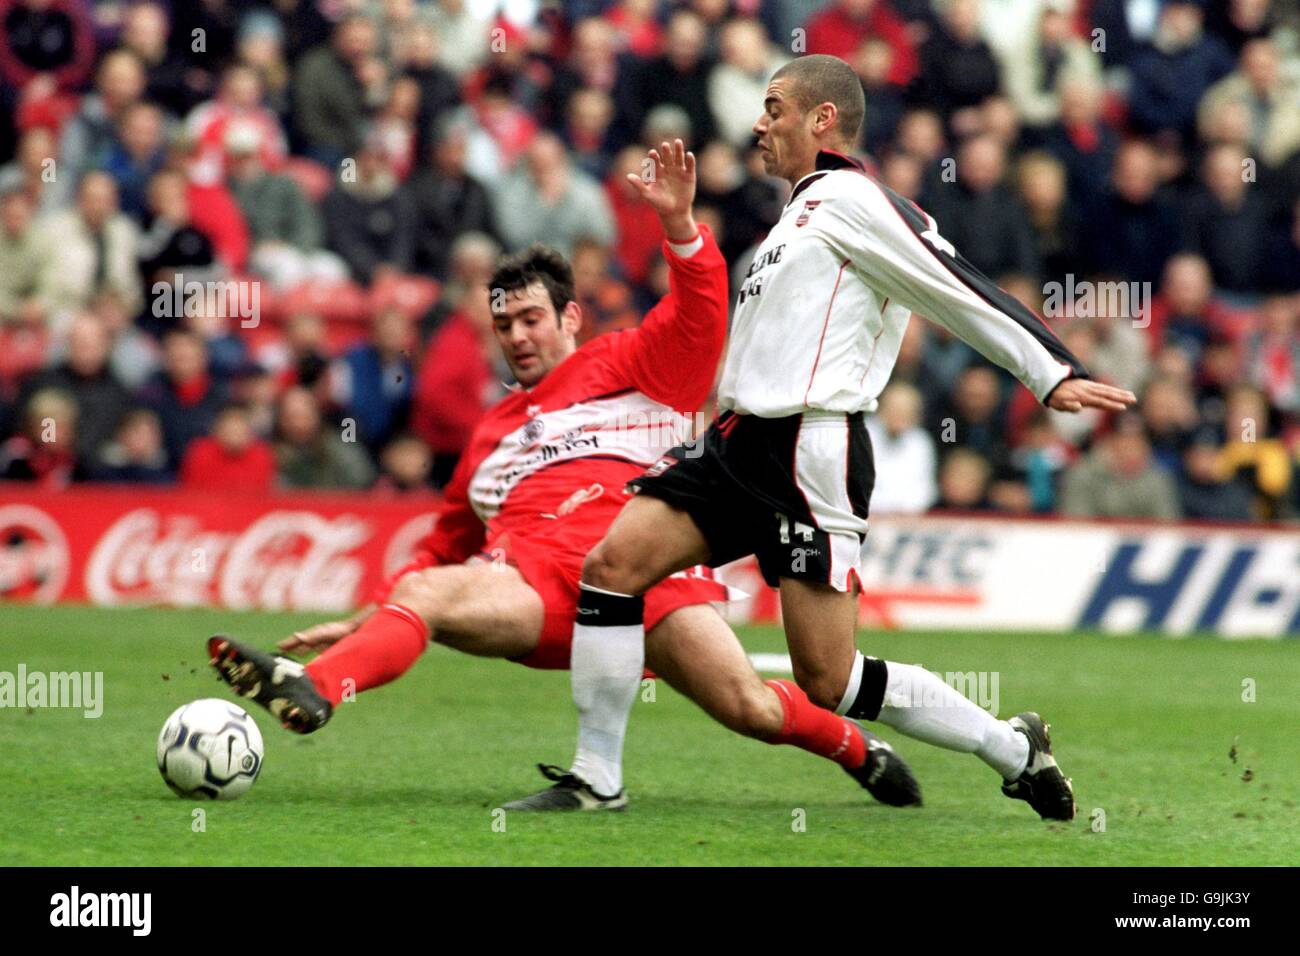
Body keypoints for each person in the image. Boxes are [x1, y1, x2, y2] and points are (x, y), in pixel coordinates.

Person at [206, 141, 920, 811]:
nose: (517, 336)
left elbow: (700, 320)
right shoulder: (488, 436)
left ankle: (857, 747)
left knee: (750, 707)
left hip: (645, 568)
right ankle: (314, 686)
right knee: (426, 592)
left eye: (530, 319)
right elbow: (440, 550)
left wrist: (679, 229)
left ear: (571, 316)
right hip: (535, 583)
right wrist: (369, 617)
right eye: (504, 325)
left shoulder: (628, 363)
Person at [522, 55, 1135, 819]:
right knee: (612, 567)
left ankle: (1012, 748)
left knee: (828, 679)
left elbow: (953, 281)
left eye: (775, 107)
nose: (758, 124)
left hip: (811, 451)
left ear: (822, 119)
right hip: (735, 443)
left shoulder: (855, 199)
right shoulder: (793, 219)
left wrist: (1049, 369)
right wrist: (680, 228)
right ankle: (596, 780)